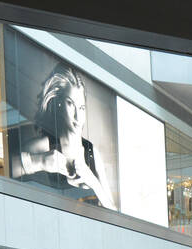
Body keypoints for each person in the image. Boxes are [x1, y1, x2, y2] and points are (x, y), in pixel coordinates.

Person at [11, 63, 116, 210]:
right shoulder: (43, 146)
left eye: (81, 107)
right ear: (59, 105)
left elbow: (114, 212)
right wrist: (40, 162)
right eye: (70, 104)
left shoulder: (92, 153)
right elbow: (5, 170)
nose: (77, 115)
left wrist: (93, 182)